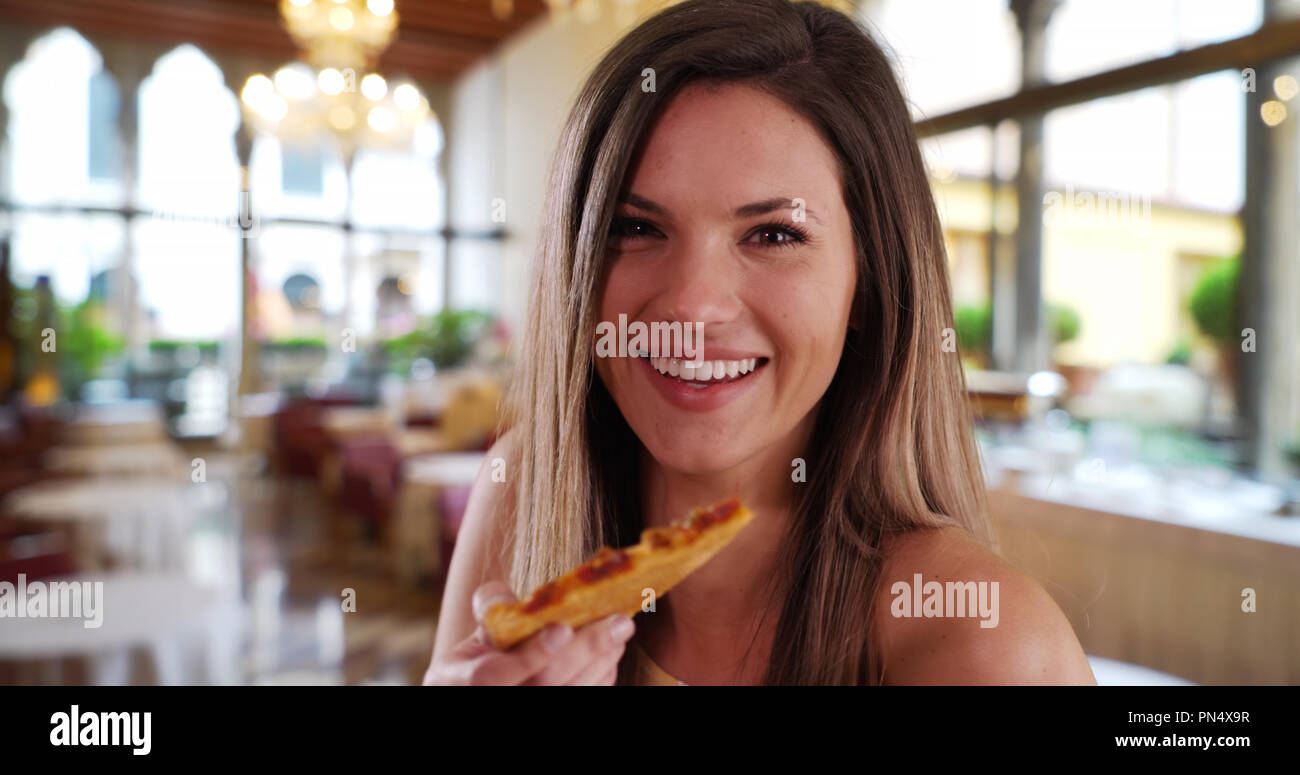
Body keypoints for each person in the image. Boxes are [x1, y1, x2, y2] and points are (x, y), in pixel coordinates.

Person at [424, 0, 1095, 686]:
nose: (691, 304)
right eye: (634, 228)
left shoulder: (985, 643)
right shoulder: (521, 492)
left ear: (869, 286)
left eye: (773, 234)